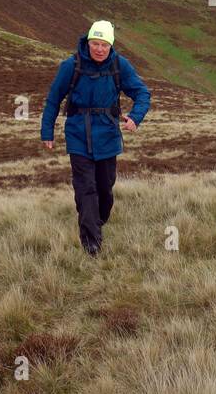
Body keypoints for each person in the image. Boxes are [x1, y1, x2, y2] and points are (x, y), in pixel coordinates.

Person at [41, 20, 151, 256]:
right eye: (95, 43)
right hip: (78, 134)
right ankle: (91, 242)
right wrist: (47, 131)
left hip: (108, 134)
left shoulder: (119, 65)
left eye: (104, 45)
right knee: (85, 188)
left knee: (105, 188)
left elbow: (142, 93)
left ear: (111, 45)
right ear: (88, 42)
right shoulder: (71, 66)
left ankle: (97, 221)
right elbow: (53, 98)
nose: (99, 49)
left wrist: (135, 117)